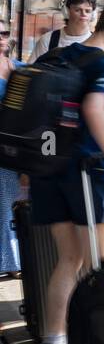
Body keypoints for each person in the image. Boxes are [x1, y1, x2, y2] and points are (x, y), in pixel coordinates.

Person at [29, 1, 104, 344]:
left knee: (69, 259)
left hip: (49, 171)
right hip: (88, 170)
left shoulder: (58, 54)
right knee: (99, 263)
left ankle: (55, 342)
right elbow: (96, 110)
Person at [35, 0, 104, 134]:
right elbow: (36, 72)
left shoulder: (99, 42)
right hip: (52, 111)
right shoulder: (49, 40)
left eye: (88, 11)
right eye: (78, 10)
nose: (83, 14)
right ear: (67, 12)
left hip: (85, 116)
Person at [0, 26, 23, 278]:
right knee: (3, 204)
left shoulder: (21, 68)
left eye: (4, 33)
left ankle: (18, 258)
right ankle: (10, 262)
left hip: (18, 145)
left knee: (17, 202)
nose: (1, 38)